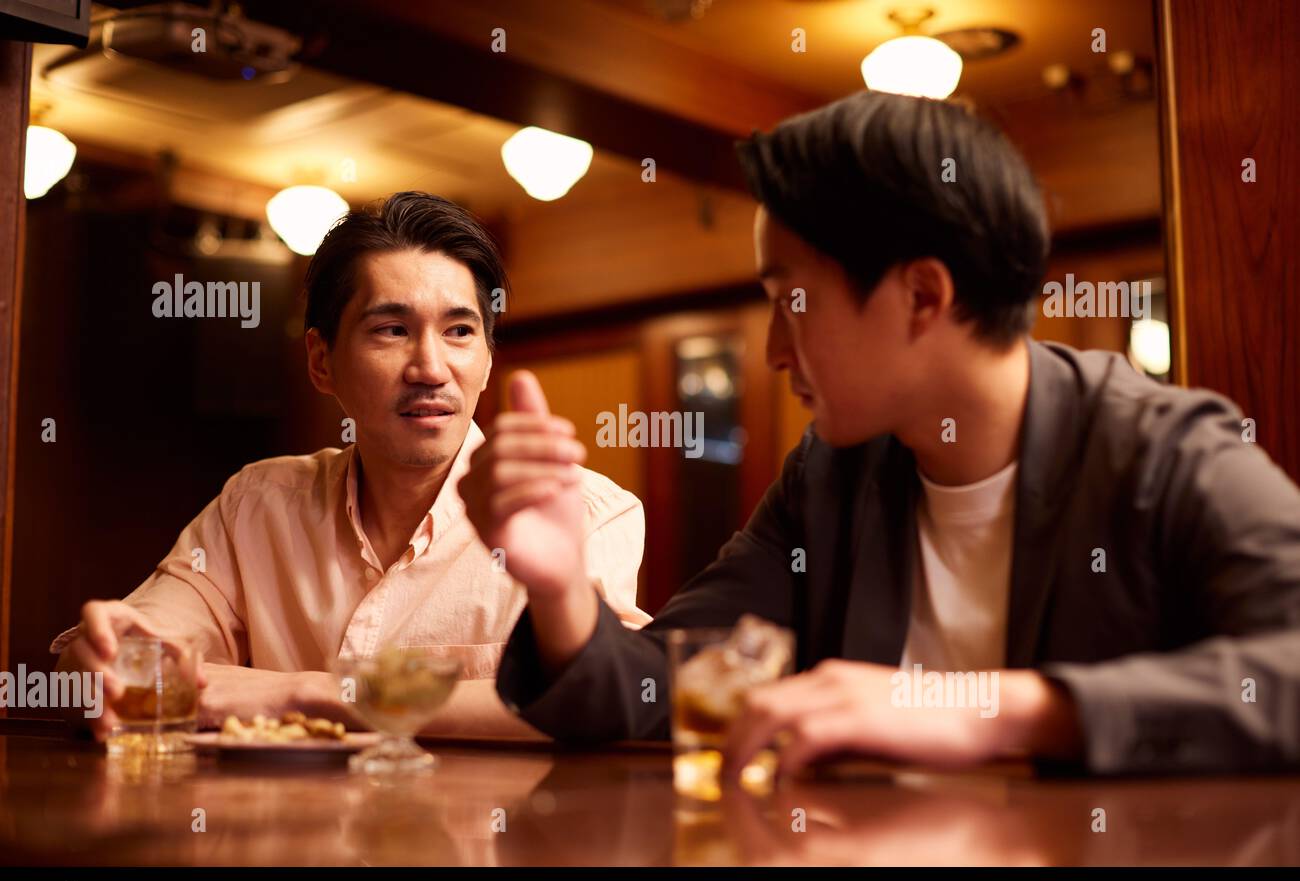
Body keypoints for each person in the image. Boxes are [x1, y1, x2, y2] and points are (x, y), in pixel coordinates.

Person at [459, 91, 1300, 776]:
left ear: (924, 296)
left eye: (792, 301)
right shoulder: (834, 475)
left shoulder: (1163, 453)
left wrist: (998, 707)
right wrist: (563, 587)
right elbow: (664, 684)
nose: (773, 351)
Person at [52, 191, 650, 741]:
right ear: (321, 361)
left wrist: (303, 692)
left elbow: (607, 702)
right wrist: (104, 655)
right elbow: (136, 649)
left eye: (460, 331)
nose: (431, 368)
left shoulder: (583, 514)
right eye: (392, 330)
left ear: (489, 360)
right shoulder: (258, 504)